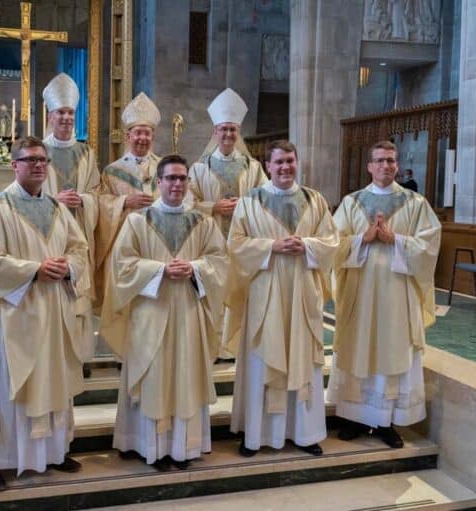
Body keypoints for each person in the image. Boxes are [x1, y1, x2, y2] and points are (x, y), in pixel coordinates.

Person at [0, 136, 91, 490]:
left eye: (43, 160)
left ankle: (52, 452)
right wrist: (33, 269)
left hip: (54, 310)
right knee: (5, 388)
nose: (38, 165)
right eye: (30, 160)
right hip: (11, 315)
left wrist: (69, 268)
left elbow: (79, 249)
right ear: (14, 166)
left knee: (52, 378)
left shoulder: (58, 209)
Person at [101, 154, 228, 471]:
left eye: (182, 178)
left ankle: (183, 446)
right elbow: (122, 266)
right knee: (153, 375)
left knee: (185, 374)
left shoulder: (204, 223)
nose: (177, 184)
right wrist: (159, 271)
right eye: (170, 178)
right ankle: (149, 445)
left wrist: (195, 268)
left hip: (188, 314)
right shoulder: (137, 221)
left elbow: (220, 262)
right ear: (158, 183)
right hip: (150, 314)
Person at [224, 140, 338, 457]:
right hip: (265, 294)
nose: (285, 167)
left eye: (290, 161)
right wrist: (271, 247)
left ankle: (304, 433)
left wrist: (309, 246)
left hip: (303, 291)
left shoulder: (315, 200)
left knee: (303, 359)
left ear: (297, 163)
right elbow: (235, 244)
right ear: (268, 166)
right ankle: (257, 435)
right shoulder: (250, 201)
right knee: (263, 360)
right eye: (279, 162)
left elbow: (332, 241)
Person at [327, 140, 441, 448]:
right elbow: (332, 244)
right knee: (357, 348)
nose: (385, 166)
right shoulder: (351, 203)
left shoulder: (416, 203)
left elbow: (429, 244)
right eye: (379, 160)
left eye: (390, 160)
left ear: (397, 165)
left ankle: (385, 422)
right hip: (359, 292)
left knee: (392, 351)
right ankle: (353, 418)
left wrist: (397, 240)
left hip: (396, 294)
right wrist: (362, 239)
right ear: (369, 166)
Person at [42, 73, 101, 375]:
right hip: (47, 234)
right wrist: (55, 200)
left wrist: (84, 201)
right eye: (60, 113)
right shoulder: (38, 151)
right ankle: (53, 354)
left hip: (79, 231)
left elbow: (96, 192)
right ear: (49, 116)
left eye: (70, 113)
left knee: (78, 292)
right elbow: (30, 194)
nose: (66, 118)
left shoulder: (86, 152)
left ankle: (79, 355)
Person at [95, 92, 162, 306]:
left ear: (153, 137)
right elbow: (101, 203)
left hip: (156, 243)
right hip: (122, 245)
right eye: (138, 133)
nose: (143, 138)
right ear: (128, 136)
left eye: (147, 133)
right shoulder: (112, 171)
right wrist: (124, 202)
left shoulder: (165, 168)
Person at [187, 88, 267, 238]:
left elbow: (266, 198)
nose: (228, 134)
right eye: (224, 129)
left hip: (244, 237)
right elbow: (187, 203)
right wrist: (214, 207)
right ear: (215, 132)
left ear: (238, 132)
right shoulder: (200, 169)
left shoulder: (253, 167)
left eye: (233, 129)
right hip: (211, 238)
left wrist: (245, 204)